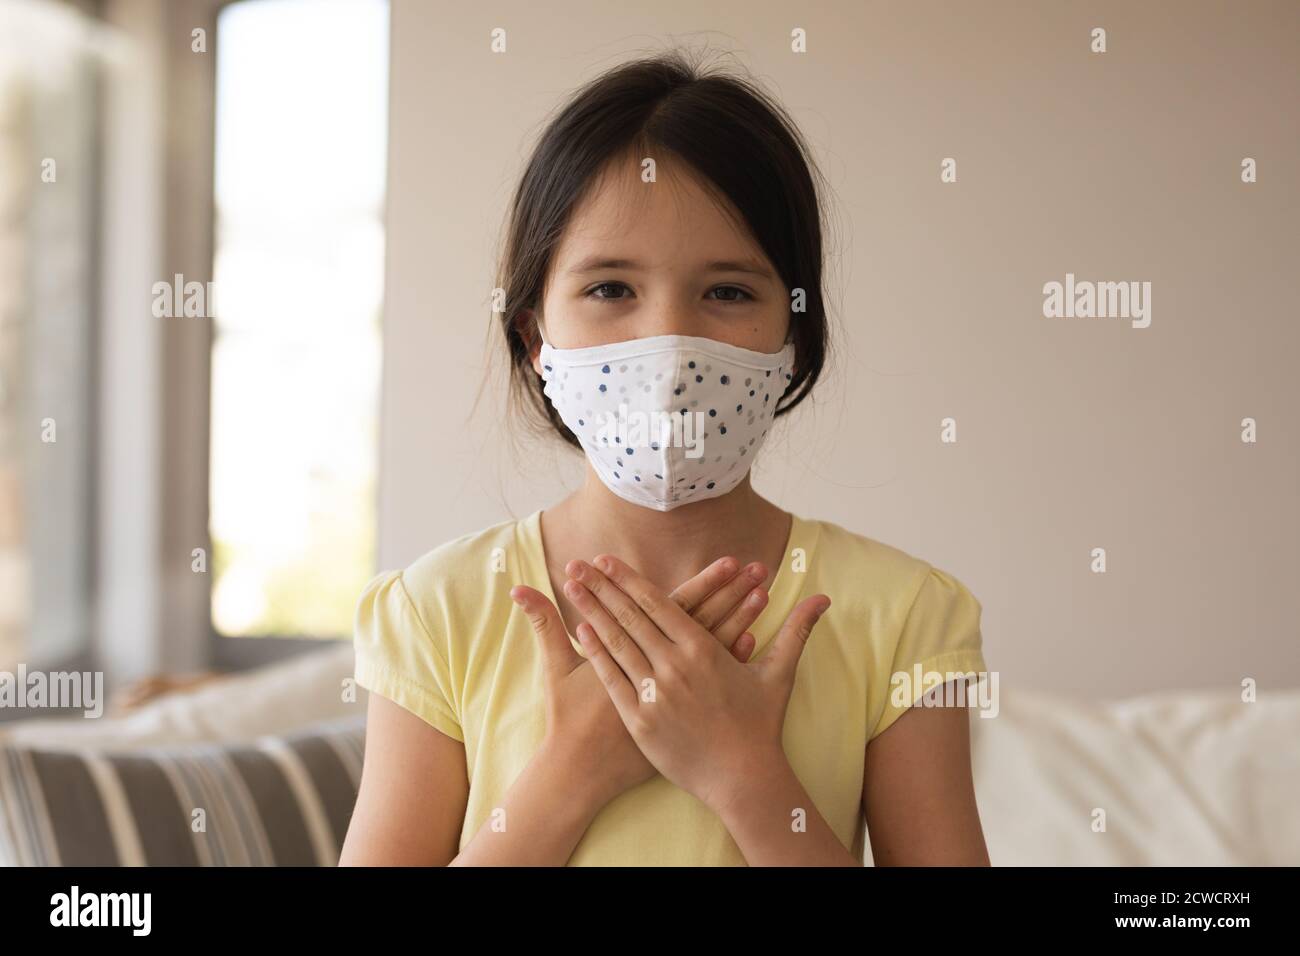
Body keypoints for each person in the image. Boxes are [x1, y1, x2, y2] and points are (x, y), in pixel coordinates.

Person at [341, 50, 990, 866]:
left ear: (794, 335)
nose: (669, 347)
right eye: (611, 288)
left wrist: (742, 771)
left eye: (728, 291)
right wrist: (573, 771)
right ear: (535, 334)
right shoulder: (435, 612)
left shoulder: (905, 618)